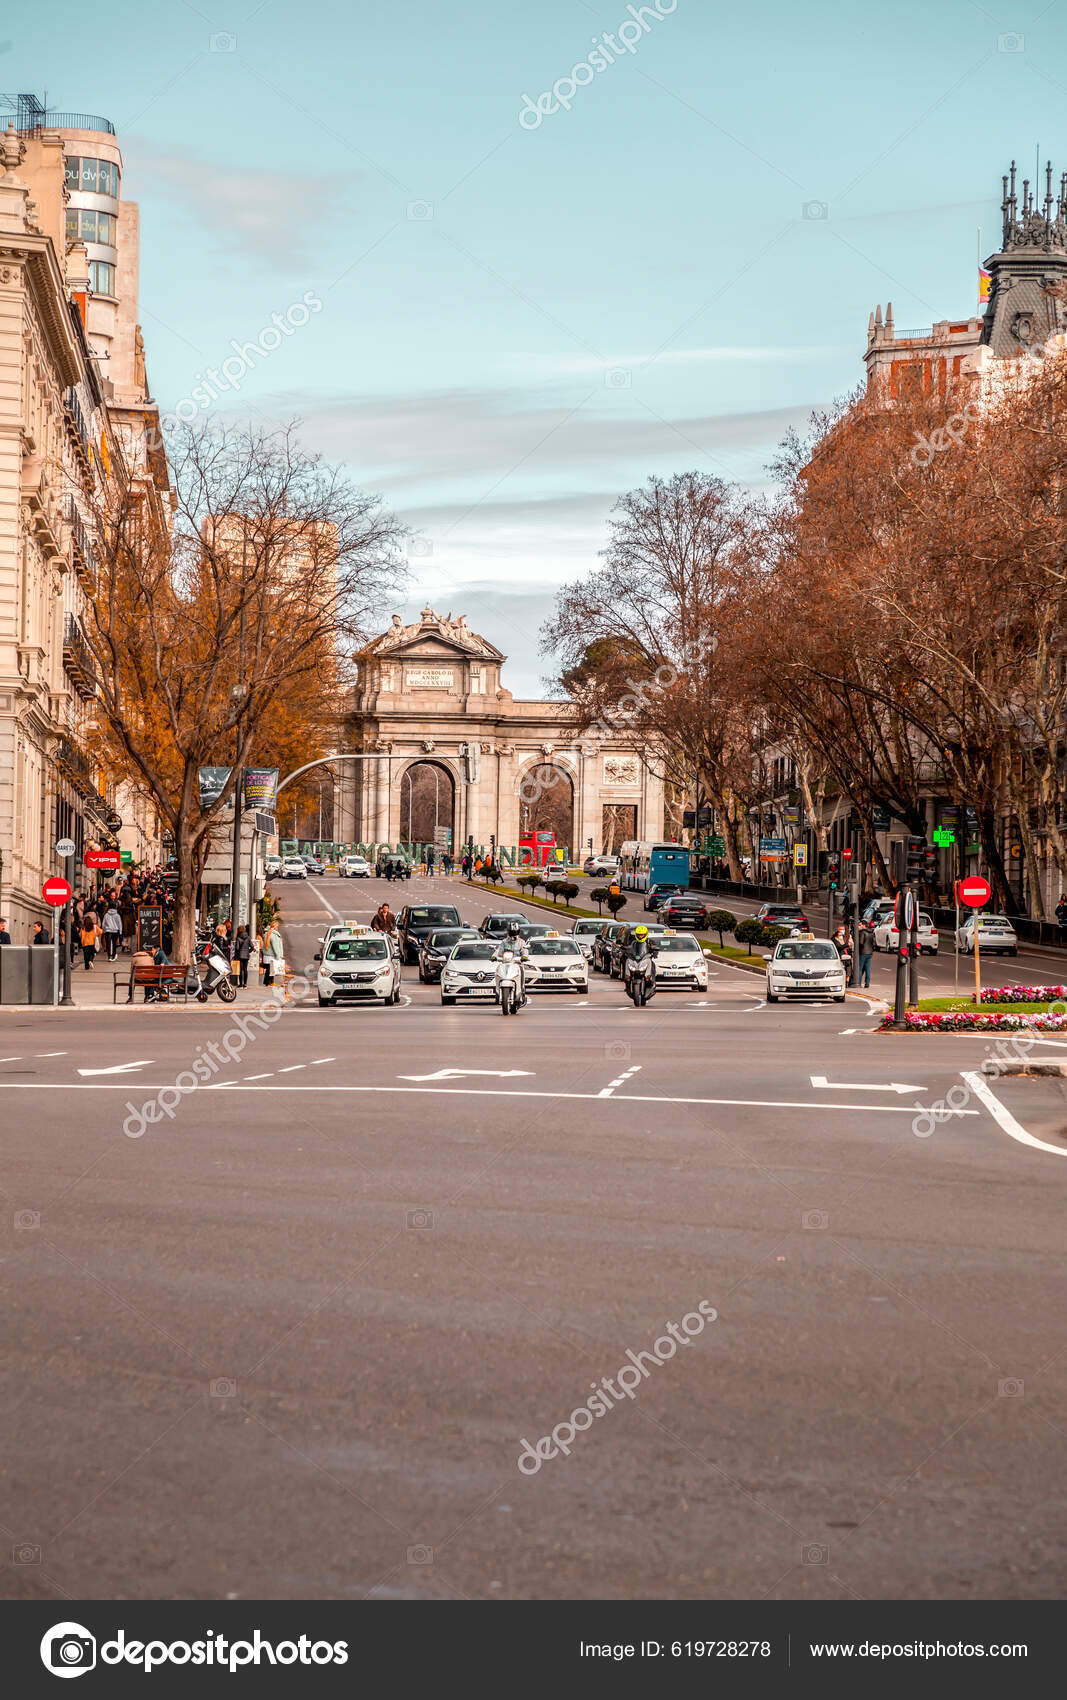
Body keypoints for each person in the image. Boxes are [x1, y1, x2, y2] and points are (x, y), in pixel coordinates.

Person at [261, 917, 284, 988]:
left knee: (269, 969)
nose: (277, 928)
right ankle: (270, 982)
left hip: (267, 955)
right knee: (271, 970)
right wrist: (278, 955)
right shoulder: (274, 935)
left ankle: (267, 982)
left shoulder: (267, 934)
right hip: (272, 955)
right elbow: (275, 946)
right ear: (274, 927)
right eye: (277, 926)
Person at [232, 924, 252, 988]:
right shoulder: (248, 938)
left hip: (240, 955)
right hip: (246, 955)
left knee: (240, 970)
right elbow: (252, 947)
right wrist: (248, 951)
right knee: (245, 969)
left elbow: (237, 948)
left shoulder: (238, 938)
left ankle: (241, 984)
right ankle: (245, 984)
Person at [857, 919, 875, 988]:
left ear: (863, 925)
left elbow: (861, 942)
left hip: (863, 952)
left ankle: (858, 983)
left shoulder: (862, 932)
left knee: (860, 968)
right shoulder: (871, 932)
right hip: (869, 952)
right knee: (867, 968)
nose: (859, 926)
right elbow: (873, 943)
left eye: (860, 925)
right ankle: (867, 983)